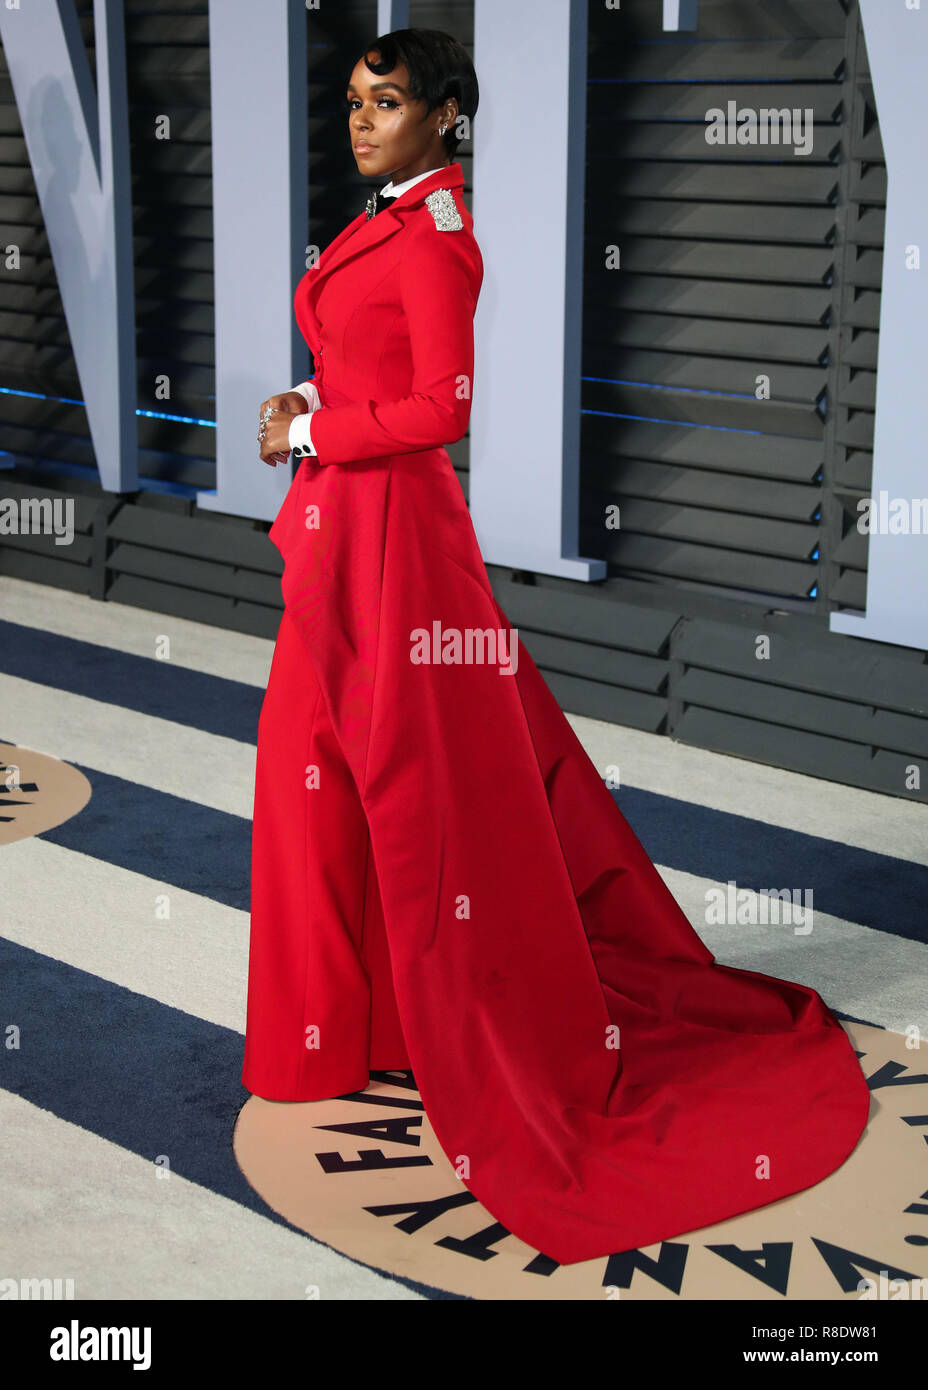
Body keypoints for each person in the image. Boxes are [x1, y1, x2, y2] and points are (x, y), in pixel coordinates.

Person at [242, 27, 870, 1267]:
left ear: (447, 118)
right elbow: (367, 373)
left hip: (395, 544)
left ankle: (426, 1025)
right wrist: (305, 404)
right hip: (337, 535)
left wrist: (319, 437)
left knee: (411, 796)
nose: (361, 122)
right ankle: (326, 1040)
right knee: (308, 780)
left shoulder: (438, 238)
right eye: (356, 102)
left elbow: (445, 407)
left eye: (389, 103)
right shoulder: (379, 221)